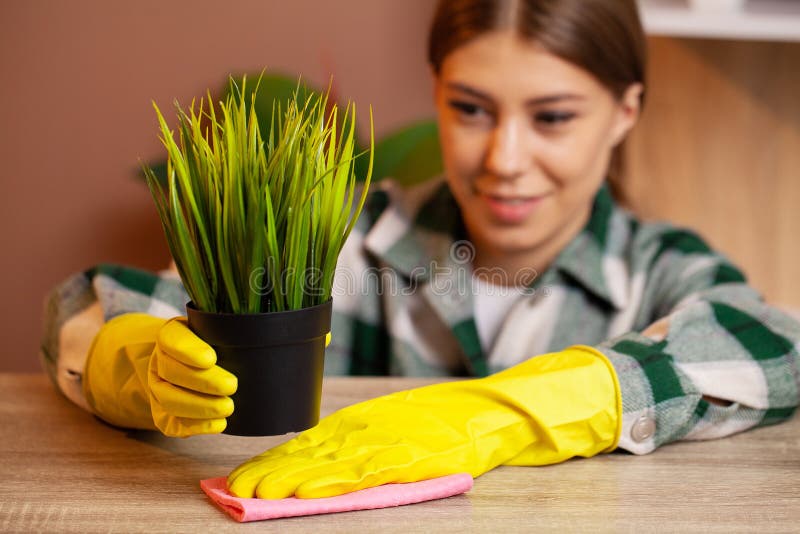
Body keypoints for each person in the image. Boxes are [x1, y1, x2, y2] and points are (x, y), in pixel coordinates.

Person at [42, 0, 799, 500]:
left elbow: (773, 343)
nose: (505, 157)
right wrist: (127, 358)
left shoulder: (659, 266)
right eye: (471, 109)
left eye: (553, 117)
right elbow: (94, 302)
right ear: (435, 88)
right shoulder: (347, 243)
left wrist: (540, 406)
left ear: (624, 112)